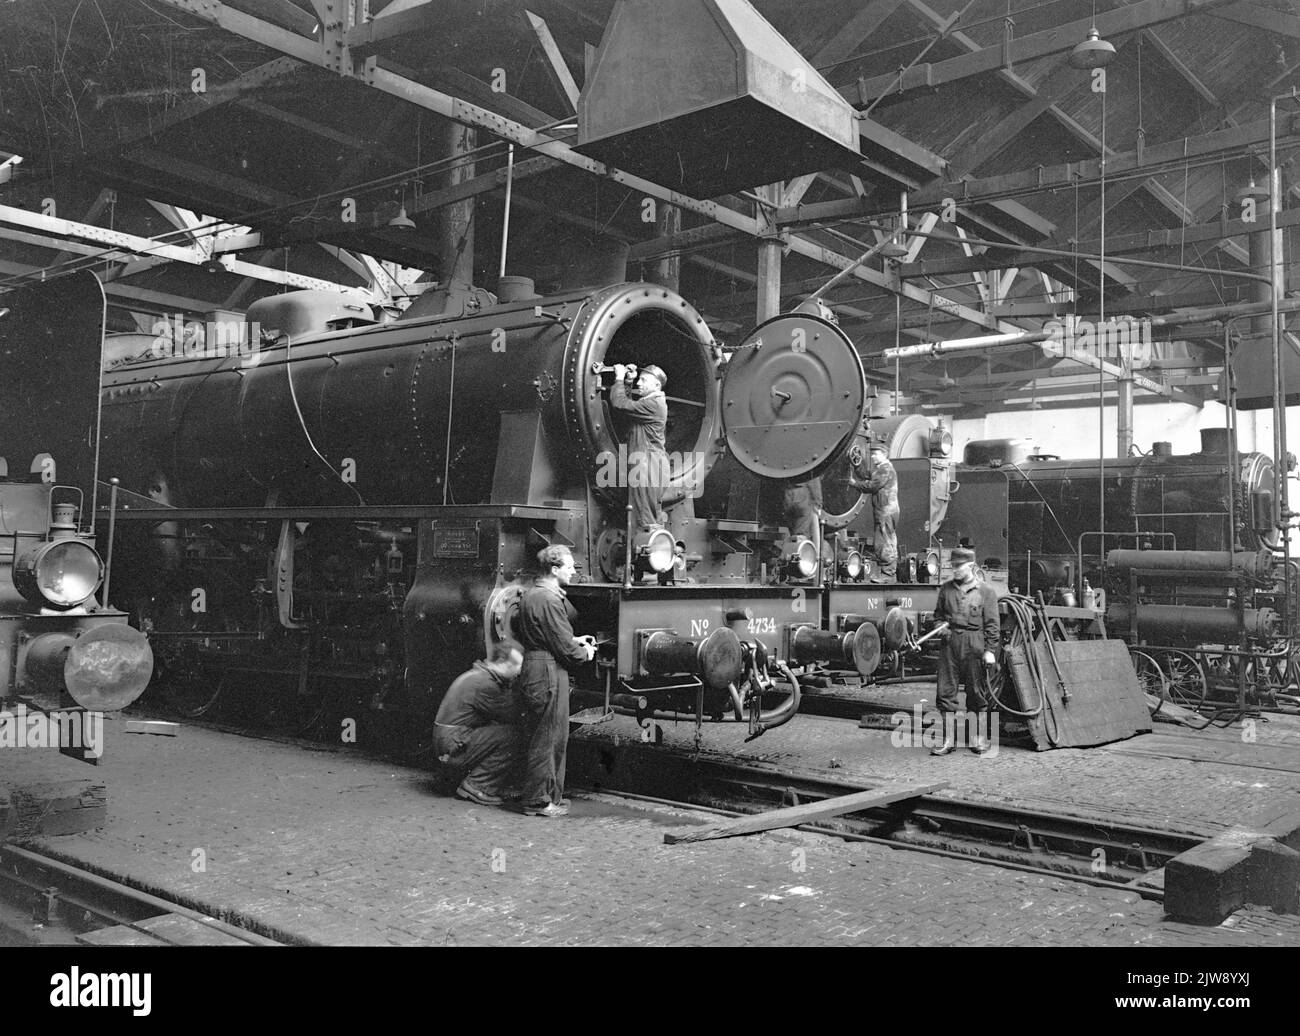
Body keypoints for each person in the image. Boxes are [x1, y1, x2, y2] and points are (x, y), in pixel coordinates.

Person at [517, 545, 596, 817]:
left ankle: (545, 797)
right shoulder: (550, 600)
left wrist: (572, 640)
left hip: (538, 665)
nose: (574, 571)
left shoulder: (533, 594)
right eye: (569, 566)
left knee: (545, 735)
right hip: (548, 671)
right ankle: (538, 801)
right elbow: (566, 651)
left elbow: (545, 635)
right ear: (554, 569)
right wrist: (583, 651)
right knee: (549, 738)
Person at [434, 641, 526, 805]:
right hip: (454, 743)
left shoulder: (479, 675)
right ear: (502, 663)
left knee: (501, 731)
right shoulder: (486, 684)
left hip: (451, 740)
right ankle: (478, 786)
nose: (519, 671)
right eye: (517, 666)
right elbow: (512, 714)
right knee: (514, 735)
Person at [930, 547, 1000, 756]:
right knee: (945, 692)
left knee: (976, 692)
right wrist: (940, 627)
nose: (955, 570)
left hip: (975, 643)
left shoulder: (986, 591)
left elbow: (992, 625)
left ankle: (977, 740)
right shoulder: (946, 590)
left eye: (959, 567)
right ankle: (948, 741)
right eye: (953, 566)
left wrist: (990, 650)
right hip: (950, 643)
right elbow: (937, 617)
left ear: (971, 566)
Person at [609, 363, 669, 531]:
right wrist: (628, 382)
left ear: (657, 385)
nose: (639, 383)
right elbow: (627, 410)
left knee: (643, 520)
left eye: (643, 380)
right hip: (650, 464)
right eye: (639, 380)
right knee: (646, 516)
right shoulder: (650, 403)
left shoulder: (654, 405)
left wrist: (619, 378)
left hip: (647, 466)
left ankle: (646, 553)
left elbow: (619, 404)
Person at [849, 439, 898, 582]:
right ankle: (889, 572)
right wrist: (856, 464)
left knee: (883, 541)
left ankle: (888, 574)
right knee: (887, 539)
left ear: (884, 454)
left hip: (886, 512)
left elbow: (872, 486)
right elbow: (866, 475)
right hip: (886, 511)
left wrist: (853, 484)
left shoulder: (885, 469)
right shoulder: (882, 469)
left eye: (875, 454)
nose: (872, 457)